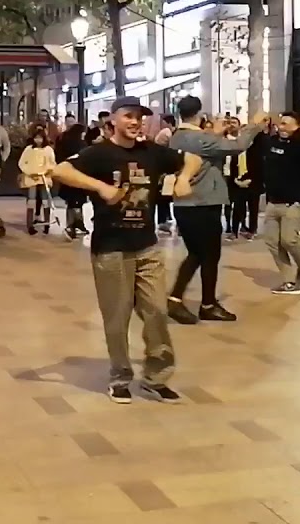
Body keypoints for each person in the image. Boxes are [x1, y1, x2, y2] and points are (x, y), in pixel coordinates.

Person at [50, 96, 202, 404]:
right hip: (111, 249)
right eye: (129, 116)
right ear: (114, 120)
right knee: (117, 318)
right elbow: (60, 171)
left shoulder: (153, 152)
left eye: (140, 117)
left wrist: (183, 178)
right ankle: (120, 376)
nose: (136, 122)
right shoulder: (99, 153)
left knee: (157, 311)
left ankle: (156, 378)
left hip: (146, 247)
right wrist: (101, 187)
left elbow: (193, 159)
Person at [166, 97, 265, 323]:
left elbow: (207, 147)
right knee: (209, 255)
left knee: (196, 254)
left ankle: (177, 299)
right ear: (200, 115)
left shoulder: (178, 136)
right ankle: (205, 304)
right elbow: (238, 146)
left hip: (186, 204)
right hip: (202, 203)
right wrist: (255, 125)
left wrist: (215, 133)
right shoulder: (198, 138)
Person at [259, 113, 300, 293]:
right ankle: (288, 281)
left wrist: (299, 132)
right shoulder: (272, 141)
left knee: (288, 240)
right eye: (280, 124)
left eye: (286, 125)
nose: (282, 128)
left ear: (296, 126)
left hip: (295, 201)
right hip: (274, 201)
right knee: (272, 241)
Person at [18, 126, 57, 235]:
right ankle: (30, 225)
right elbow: (22, 163)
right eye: (36, 138)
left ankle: (47, 224)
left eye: (40, 138)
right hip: (31, 178)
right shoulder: (28, 149)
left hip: (44, 178)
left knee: (46, 201)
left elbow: (52, 163)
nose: (38, 140)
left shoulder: (48, 150)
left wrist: (45, 172)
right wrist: (31, 173)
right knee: (31, 201)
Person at [55, 123, 90, 239]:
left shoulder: (63, 142)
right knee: (76, 202)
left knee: (72, 202)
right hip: (77, 176)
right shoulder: (80, 145)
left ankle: (72, 225)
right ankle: (75, 225)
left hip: (67, 176)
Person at [154, 114, 177, 233]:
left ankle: (164, 218)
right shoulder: (171, 132)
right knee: (164, 193)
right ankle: (164, 218)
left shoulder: (165, 132)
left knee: (163, 193)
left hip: (163, 166)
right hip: (167, 166)